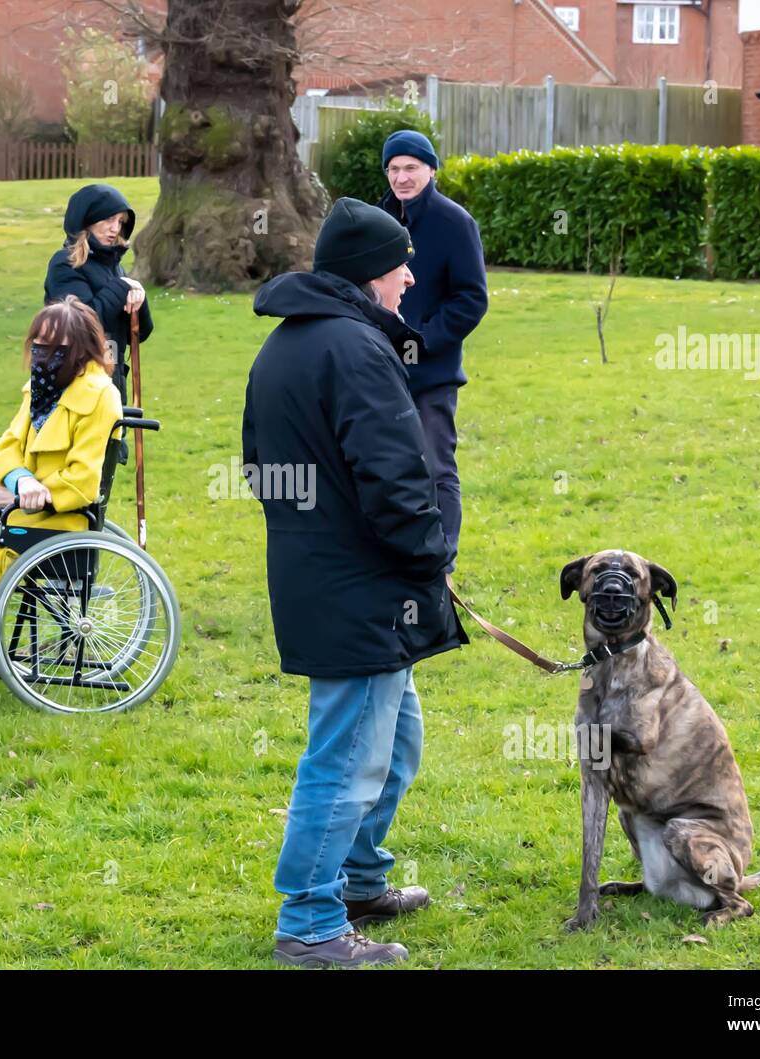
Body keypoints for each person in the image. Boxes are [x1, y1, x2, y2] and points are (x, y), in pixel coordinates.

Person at [243, 197, 468, 967]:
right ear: (369, 273)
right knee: (346, 758)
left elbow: (262, 471)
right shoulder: (356, 351)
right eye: (399, 263)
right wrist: (430, 555)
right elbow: (396, 480)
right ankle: (309, 920)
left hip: (328, 578)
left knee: (396, 741)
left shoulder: (287, 345)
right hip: (363, 588)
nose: (410, 276)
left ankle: (357, 878)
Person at [376, 129, 488, 572]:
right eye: (394, 169)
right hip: (378, 366)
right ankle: (394, 554)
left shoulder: (454, 221)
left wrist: (420, 342)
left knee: (435, 467)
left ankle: (442, 562)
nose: (401, 177)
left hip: (431, 375)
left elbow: (471, 299)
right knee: (385, 464)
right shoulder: (377, 219)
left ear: (431, 170)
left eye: (411, 168)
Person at [0, 296, 123, 585]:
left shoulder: (100, 396)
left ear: (81, 350)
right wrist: (20, 480)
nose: (42, 354)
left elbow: (82, 481)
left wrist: (26, 496)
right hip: (17, 508)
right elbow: (6, 449)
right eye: (38, 344)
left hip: (56, 521)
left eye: (54, 347)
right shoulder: (39, 390)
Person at [44, 183, 153, 411]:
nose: (115, 228)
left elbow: (138, 333)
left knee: (115, 446)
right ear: (87, 221)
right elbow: (81, 325)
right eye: (108, 220)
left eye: (120, 222)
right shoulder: (65, 264)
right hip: (74, 384)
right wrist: (122, 287)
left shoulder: (113, 267)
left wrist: (139, 301)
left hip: (112, 383)